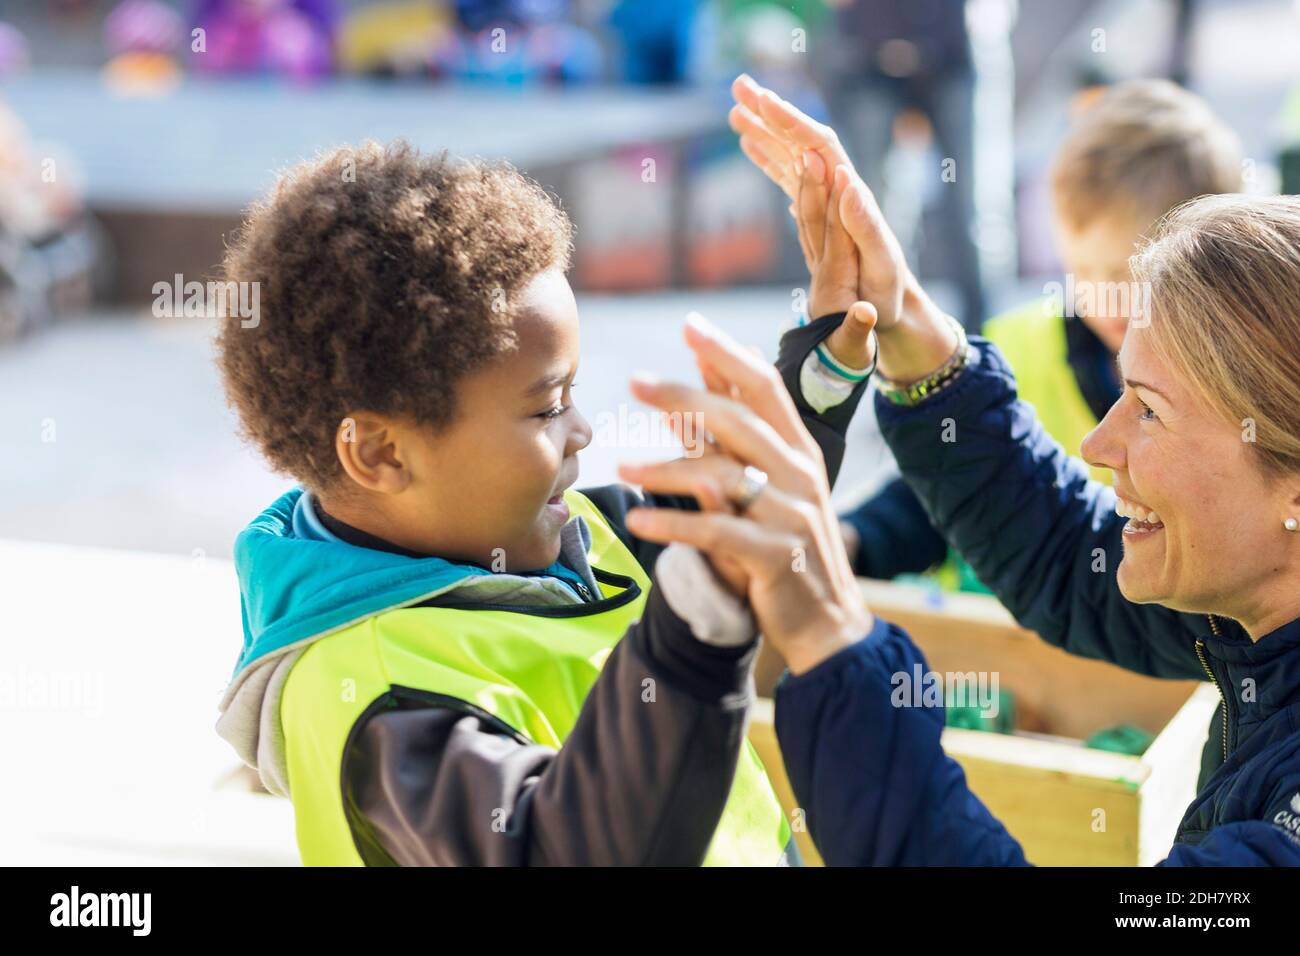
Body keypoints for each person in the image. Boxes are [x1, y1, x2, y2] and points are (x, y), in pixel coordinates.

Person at [681, 76, 1300, 865]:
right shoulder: (1259, 602)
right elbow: (1074, 556)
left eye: (1149, 409)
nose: (1098, 444)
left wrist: (837, 646)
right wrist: (902, 314)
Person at [212, 141, 873, 866]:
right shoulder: (381, 699)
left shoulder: (588, 536)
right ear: (380, 454)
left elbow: (735, 517)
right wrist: (697, 634)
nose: (581, 430)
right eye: (546, 408)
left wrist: (823, 366)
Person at [826, 79, 1242, 591]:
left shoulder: (1238, 385)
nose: (1102, 295)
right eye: (1081, 270)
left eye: (1128, 271)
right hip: (993, 655)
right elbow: (947, 482)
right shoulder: (1013, 348)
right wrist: (855, 541)